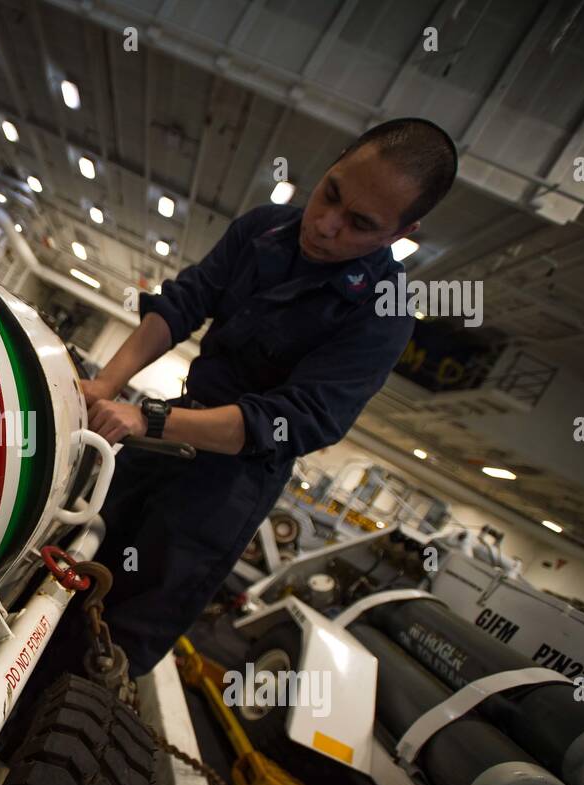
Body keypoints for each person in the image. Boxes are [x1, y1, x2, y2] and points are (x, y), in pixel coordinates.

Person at [75, 117, 458, 678]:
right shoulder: (265, 228)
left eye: (359, 224)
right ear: (338, 159)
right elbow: (184, 302)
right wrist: (105, 385)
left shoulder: (384, 312)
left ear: (403, 232)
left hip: (223, 488)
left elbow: (289, 420)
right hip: (154, 441)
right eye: (330, 193)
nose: (326, 225)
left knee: (116, 634)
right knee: (75, 558)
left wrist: (148, 418)